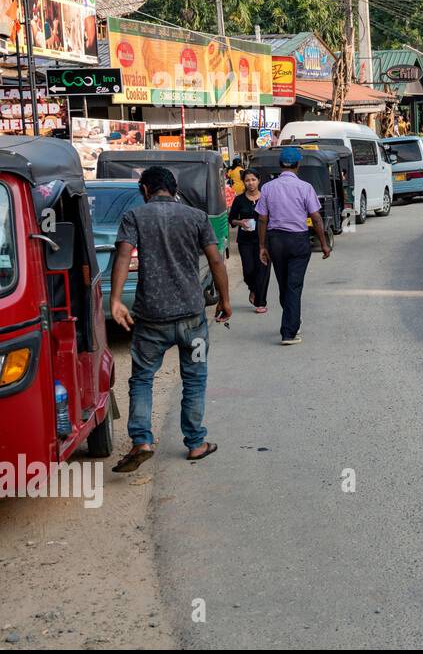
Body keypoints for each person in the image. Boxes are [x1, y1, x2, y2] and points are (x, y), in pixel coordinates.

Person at [109, 166, 231, 473]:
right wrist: (225, 301)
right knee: (195, 377)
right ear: (173, 190)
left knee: (142, 379)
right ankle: (195, 443)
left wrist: (115, 300)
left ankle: (141, 441)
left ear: (147, 190)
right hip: (192, 318)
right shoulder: (196, 217)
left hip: (151, 319)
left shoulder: (135, 217)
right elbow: (216, 259)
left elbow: (123, 256)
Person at [256, 146, 331, 345]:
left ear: (280, 165)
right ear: (298, 165)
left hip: (276, 241)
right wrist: (324, 244)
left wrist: (262, 246)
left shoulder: (267, 188)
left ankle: (292, 318)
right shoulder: (305, 187)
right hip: (298, 240)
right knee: (294, 285)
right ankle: (289, 332)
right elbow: (316, 218)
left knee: (284, 284)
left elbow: (262, 220)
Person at [228, 169, 271, 314]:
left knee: (262, 271)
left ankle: (260, 302)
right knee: (248, 271)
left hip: (264, 240)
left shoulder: (266, 197)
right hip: (245, 241)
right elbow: (231, 219)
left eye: (253, 179)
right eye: (247, 180)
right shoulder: (239, 200)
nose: (250, 183)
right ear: (244, 182)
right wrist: (240, 223)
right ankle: (252, 288)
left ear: (258, 180)